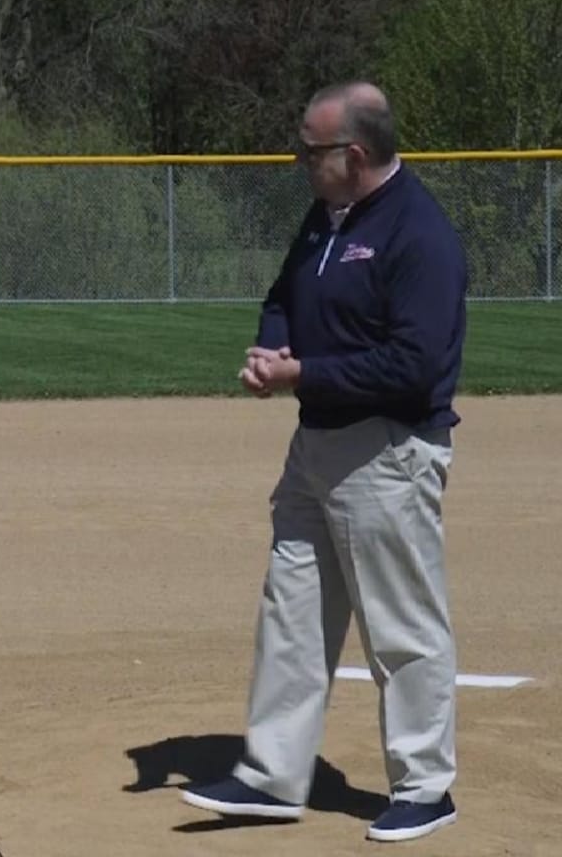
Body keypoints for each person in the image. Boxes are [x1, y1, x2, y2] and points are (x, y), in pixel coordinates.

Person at [181, 81, 467, 843]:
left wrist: (302, 374)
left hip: (388, 450)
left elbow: (412, 366)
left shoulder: (420, 234)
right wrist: (276, 344)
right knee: (293, 612)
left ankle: (426, 785)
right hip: (315, 449)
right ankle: (273, 776)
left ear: (357, 154)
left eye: (310, 150)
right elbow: (285, 293)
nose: (299, 160)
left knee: (402, 625)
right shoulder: (327, 217)